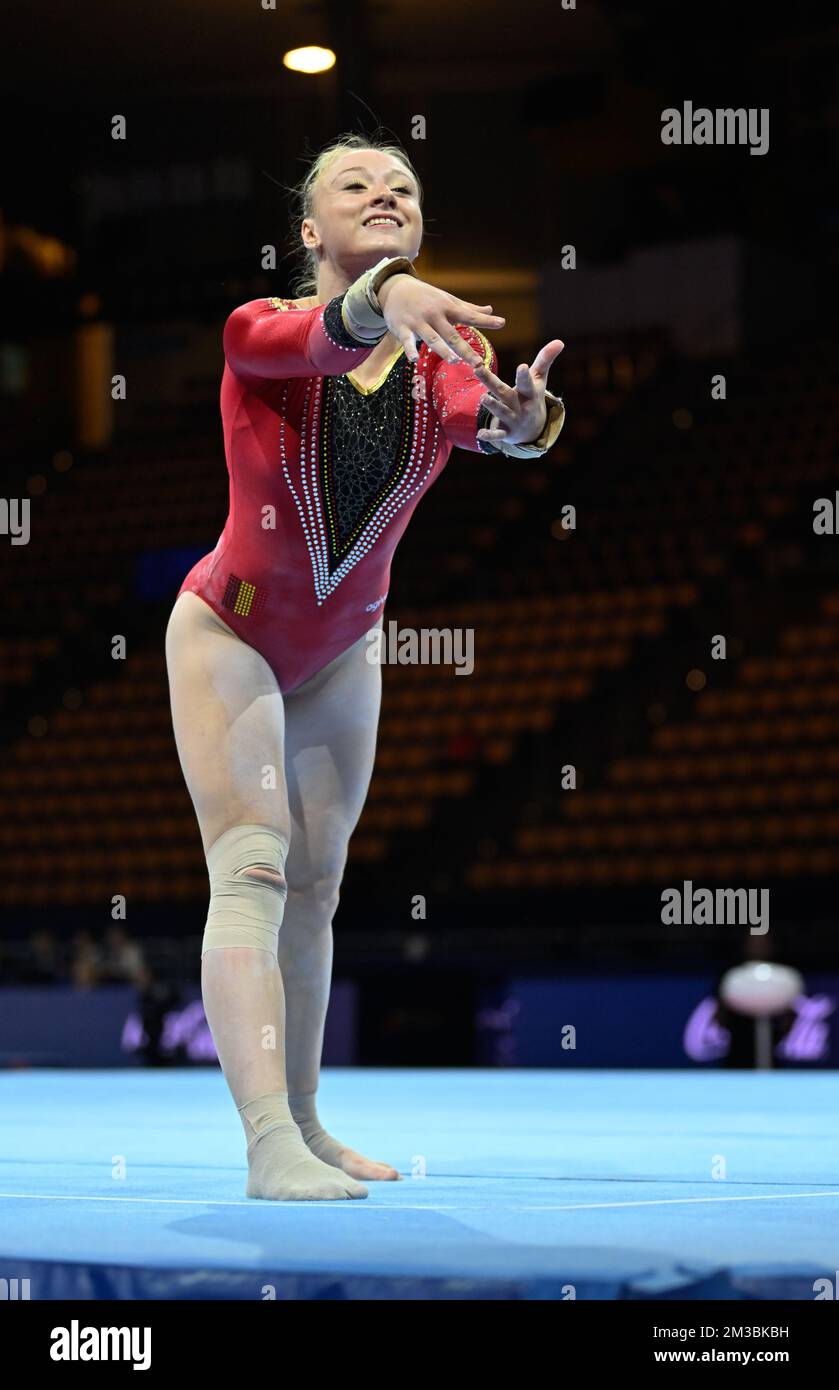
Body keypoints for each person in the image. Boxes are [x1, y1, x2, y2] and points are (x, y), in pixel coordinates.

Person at [165, 132, 566, 1201]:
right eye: (356, 185)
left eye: (402, 188)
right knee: (251, 865)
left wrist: (526, 419)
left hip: (345, 647)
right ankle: (264, 1147)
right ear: (309, 229)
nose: (382, 194)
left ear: (422, 225)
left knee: (316, 886)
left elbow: (494, 423)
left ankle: (304, 1120)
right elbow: (330, 338)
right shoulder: (260, 331)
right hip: (231, 632)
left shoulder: (439, 370)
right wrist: (385, 293)